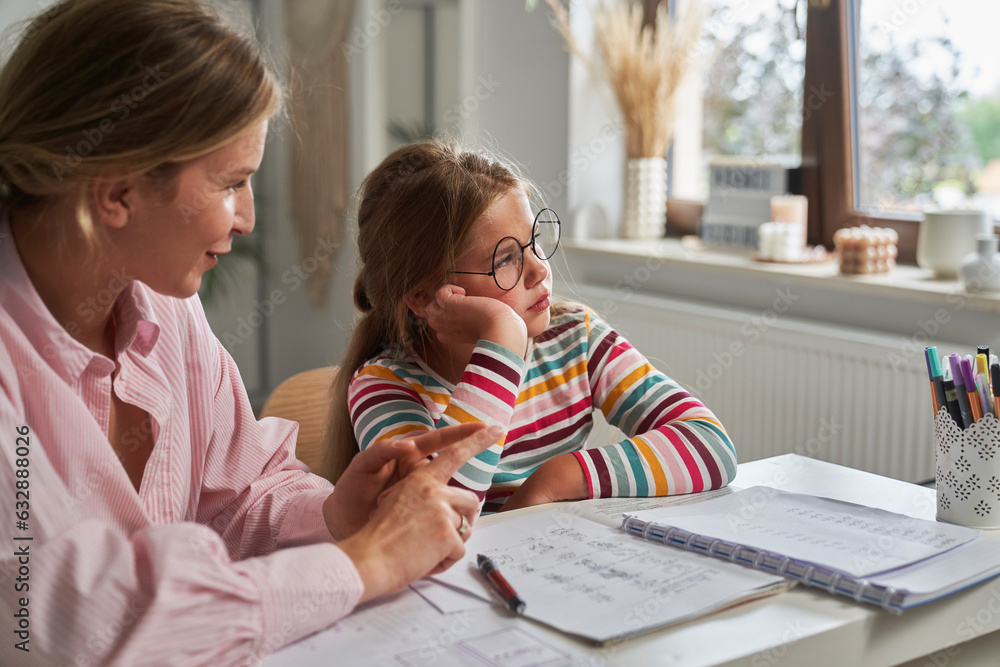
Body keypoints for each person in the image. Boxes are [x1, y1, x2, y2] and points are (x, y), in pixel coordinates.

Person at [0, 1, 494, 664]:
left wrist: (337, 515)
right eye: (232, 183)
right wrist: (362, 562)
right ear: (116, 193)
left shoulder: (161, 302)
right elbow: (94, 624)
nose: (248, 219)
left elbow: (238, 487)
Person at [326, 139, 737, 513]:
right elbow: (428, 514)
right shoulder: (384, 386)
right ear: (423, 297)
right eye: (504, 259)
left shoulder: (576, 338)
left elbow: (711, 446)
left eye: (534, 240)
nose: (540, 269)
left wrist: (553, 480)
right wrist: (502, 336)